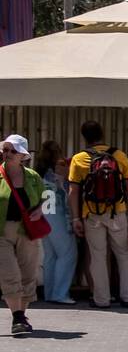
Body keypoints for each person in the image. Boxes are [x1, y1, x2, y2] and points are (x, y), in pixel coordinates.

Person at [68, 121, 128, 309]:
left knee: (98, 256)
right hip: (118, 212)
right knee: (123, 254)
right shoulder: (119, 155)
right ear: (102, 134)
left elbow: (73, 191)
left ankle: (101, 299)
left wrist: (75, 218)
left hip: (91, 214)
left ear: (84, 137)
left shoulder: (79, 159)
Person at [1, 135, 46, 335]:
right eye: (5, 149)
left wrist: (40, 210)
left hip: (27, 231)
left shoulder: (33, 177)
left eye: (12, 151)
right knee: (10, 274)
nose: (7, 153)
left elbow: (45, 198)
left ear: (23, 156)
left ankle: (20, 316)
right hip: (2, 231)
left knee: (28, 275)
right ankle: (18, 317)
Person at [35, 141, 76, 305]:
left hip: (43, 211)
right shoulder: (60, 166)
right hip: (55, 211)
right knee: (68, 253)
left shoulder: (40, 170)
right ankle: (60, 294)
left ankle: (50, 292)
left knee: (50, 255)